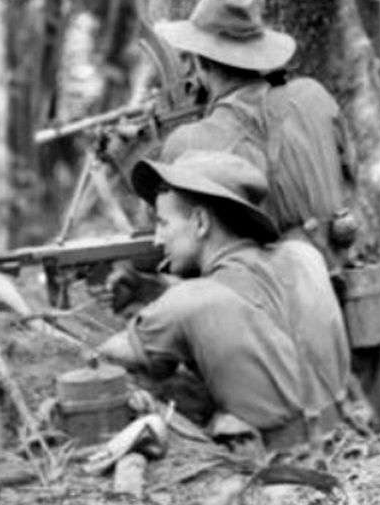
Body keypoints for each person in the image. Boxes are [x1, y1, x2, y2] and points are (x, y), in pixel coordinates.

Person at [95, 148, 349, 448]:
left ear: (201, 222)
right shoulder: (304, 256)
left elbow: (106, 357)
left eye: (163, 223)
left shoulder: (189, 301)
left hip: (277, 470)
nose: (157, 240)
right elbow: (258, 310)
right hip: (345, 445)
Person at [151, 0, 357, 271]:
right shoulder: (315, 98)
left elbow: (177, 244)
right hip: (338, 284)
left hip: (262, 304)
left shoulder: (187, 144)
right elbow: (349, 178)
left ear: (201, 63)